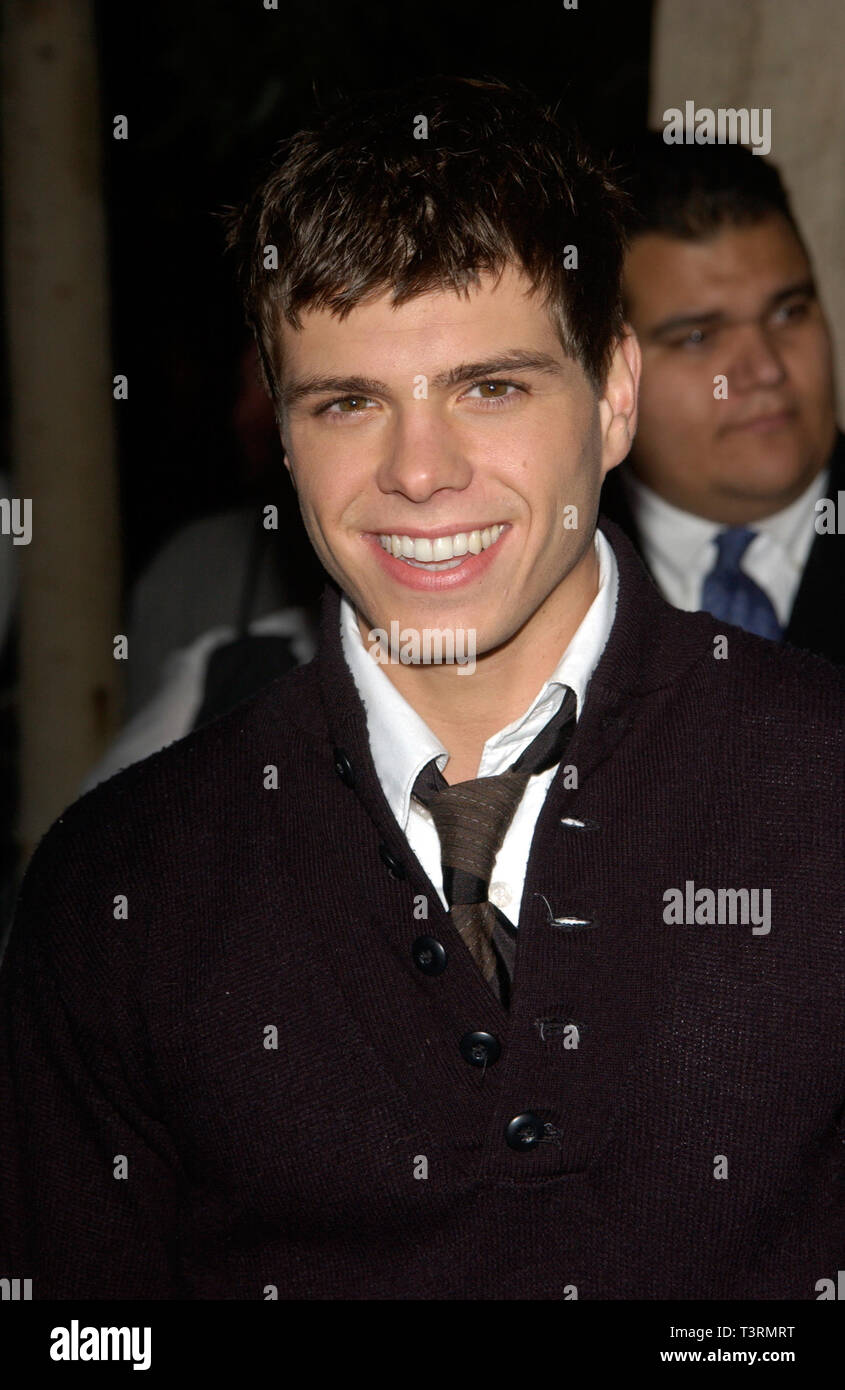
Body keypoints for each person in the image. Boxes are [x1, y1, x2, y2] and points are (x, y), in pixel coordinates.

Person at [0, 77, 842, 1301]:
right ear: (283, 438)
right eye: (349, 403)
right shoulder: (120, 891)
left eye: (488, 387)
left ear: (613, 395)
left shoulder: (819, 790)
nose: (417, 472)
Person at [600, 134, 844, 663]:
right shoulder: (540, 567)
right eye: (698, 337)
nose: (765, 370)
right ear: (609, 371)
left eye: (788, 312)